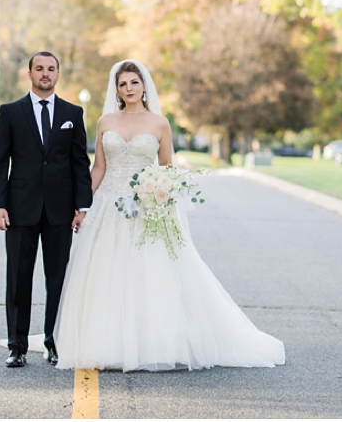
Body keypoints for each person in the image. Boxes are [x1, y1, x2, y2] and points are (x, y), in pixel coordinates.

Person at [53, 59, 286, 371]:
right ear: (117, 90)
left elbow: (167, 169)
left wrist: (160, 196)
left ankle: (151, 342)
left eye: (134, 82)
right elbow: (99, 168)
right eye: (122, 84)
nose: (128, 89)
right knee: (107, 274)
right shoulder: (105, 121)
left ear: (144, 86)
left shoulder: (159, 123)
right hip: (109, 207)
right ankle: (108, 344)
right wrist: (83, 205)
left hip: (146, 207)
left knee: (149, 276)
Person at [0, 51, 92, 368]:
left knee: (58, 279)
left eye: (51, 69)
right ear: (29, 74)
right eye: (39, 69)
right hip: (20, 209)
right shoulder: (10, 112)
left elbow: (79, 163)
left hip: (61, 211)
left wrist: (82, 205)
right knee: (18, 278)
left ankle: (54, 341)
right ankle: (16, 346)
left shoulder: (73, 112)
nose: (45, 73)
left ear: (58, 74)